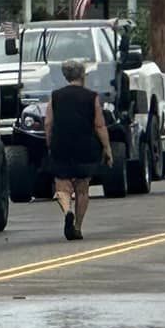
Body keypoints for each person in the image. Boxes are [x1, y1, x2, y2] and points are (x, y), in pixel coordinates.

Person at [45, 59, 111, 243]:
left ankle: (67, 211)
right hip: (85, 145)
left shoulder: (55, 96)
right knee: (82, 189)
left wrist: (50, 142)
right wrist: (107, 148)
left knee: (62, 187)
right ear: (82, 75)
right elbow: (99, 124)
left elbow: (48, 122)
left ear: (66, 76)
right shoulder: (91, 96)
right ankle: (78, 227)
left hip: (61, 144)